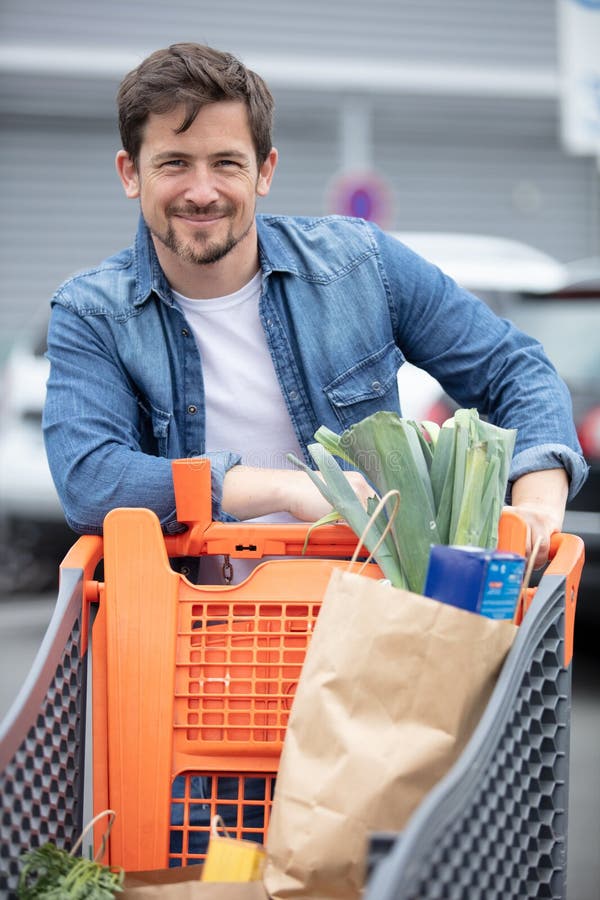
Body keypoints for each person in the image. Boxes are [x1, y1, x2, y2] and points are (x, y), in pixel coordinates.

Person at [43, 42, 587, 581]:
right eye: (175, 163)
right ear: (130, 172)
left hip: (364, 619)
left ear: (265, 170)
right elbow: (92, 478)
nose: (202, 191)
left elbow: (515, 369)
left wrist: (537, 497)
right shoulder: (92, 313)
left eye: (227, 163)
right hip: (185, 641)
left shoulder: (358, 265)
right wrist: (288, 487)